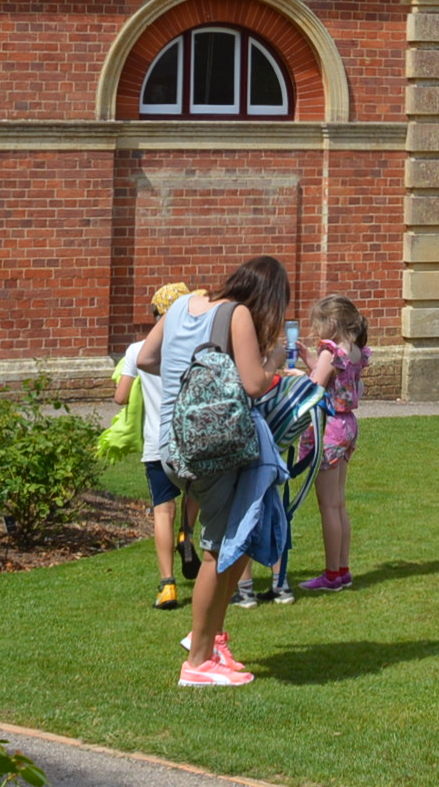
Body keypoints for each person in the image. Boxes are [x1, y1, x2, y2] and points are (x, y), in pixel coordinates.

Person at [131, 255, 291, 688]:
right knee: (218, 550)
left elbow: (146, 359)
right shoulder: (236, 314)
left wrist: (189, 380)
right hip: (212, 448)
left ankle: (213, 644)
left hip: (172, 442)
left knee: (226, 548)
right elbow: (255, 383)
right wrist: (275, 361)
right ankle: (198, 660)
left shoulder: (183, 304)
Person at [115, 279, 197, 609]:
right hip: (190, 439)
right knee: (195, 492)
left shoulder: (137, 350)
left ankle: (167, 586)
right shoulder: (195, 347)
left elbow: (120, 397)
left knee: (162, 510)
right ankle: (188, 534)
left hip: (156, 441)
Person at [296, 294, 369, 594]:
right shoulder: (353, 350)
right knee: (339, 503)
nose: (315, 332)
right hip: (348, 425)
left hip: (328, 427)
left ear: (332, 323)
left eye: (318, 325)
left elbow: (316, 386)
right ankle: (342, 569)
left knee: (327, 505)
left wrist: (294, 376)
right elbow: (334, 378)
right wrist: (309, 359)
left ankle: (330, 574)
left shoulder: (330, 350)